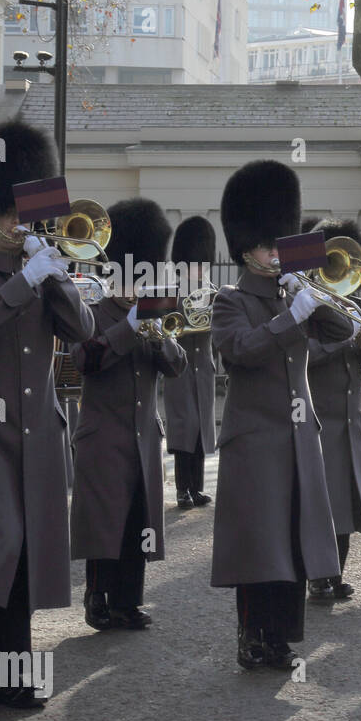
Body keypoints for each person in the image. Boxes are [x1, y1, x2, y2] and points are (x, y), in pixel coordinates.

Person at [0, 120, 95, 717]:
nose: (25, 225)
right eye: (14, 215)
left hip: (37, 434)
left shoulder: (43, 274)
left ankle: (14, 676)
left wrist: (55, 278)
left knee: (28, 554)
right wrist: (20, 285)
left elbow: (83, 334)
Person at [211, 159, 348, 670]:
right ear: (248, 249)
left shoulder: (294, 293)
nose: (278, 253)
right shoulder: (232, 300)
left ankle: (282, 636)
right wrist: (290, 318)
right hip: (255, 440)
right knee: (258, 546)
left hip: (297, 438)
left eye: (281, 244)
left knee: (292, 540)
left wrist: (318, 301)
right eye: (271, 246)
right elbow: (239, 351)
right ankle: (252, 636)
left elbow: (342, 334)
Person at [70, 198, 186, 631]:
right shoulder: (93, 308)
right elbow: (84, 360)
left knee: (139, 518)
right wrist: (129, 326)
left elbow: (175, 368)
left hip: (142, 434)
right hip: (103, 433)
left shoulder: (152, 312)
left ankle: (127, 599)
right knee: (106, 520)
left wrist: (160, 338)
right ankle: (97, 595)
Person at [304, 217, 361, 603]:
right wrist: (347, 345)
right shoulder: (305, 306)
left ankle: (336, 573)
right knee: (320, 502)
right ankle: (317, 576)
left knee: (346, 503)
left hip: (349, 420)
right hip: (317, 417)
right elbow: (305, 356)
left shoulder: (353, 306)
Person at [163, 216, 218, 509]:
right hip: (180, 368)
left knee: (200, 430)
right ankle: (182, 488)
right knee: (183, 428)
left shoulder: (212, 292)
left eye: (203, 263)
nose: (201, 268)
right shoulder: (172, 291)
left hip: (203, 368)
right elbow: (167, 325)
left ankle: (197, 487)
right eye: (198, 263)